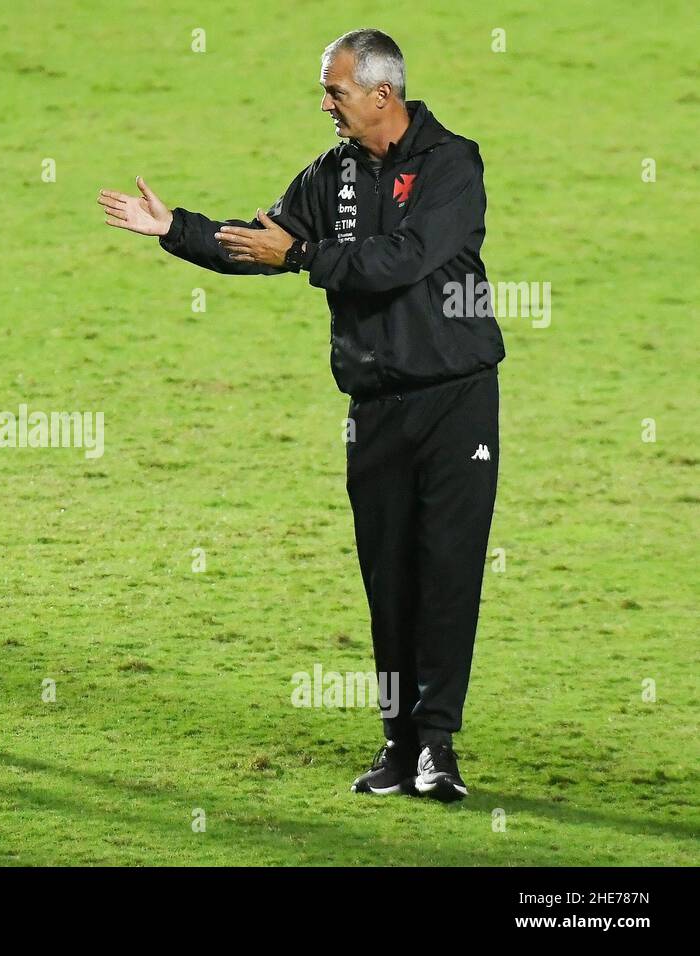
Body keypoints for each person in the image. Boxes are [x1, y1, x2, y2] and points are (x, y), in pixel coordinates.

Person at [98, 29, 504, 801]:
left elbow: (403, 262)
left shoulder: (454, 164)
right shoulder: (333, 175)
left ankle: (439, 748)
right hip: (375, 407)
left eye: (336, 92)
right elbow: (264, 243)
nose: (325, 104)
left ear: (383, 95)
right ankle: (397, 744)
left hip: (458, 402)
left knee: (446, 574)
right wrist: (177, 229)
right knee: (387, 579)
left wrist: (304, 257)